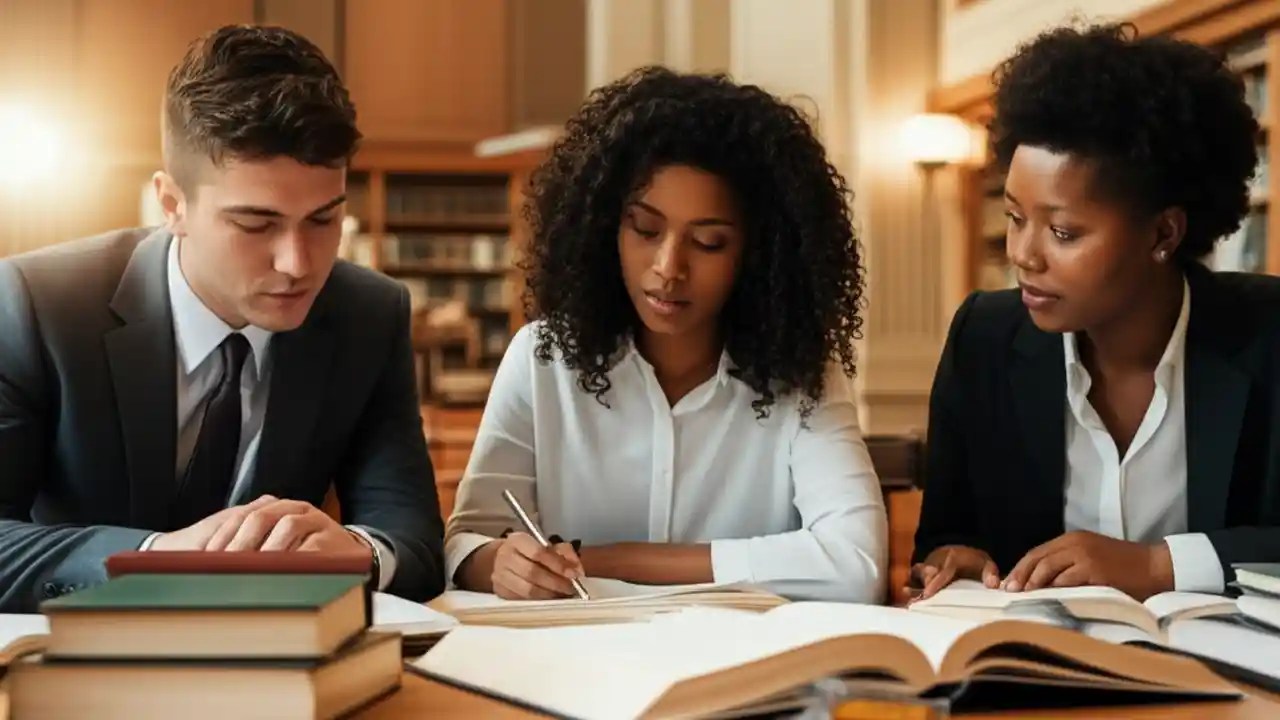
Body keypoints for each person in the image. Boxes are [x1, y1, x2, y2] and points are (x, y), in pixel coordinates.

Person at [0, 25, 444, 611]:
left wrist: (358, 552)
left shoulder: (369, 313)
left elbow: (411, 540)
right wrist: (158, 558)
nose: (297, 264)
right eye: (255, 224)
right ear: (171, 204)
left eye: (323, 219)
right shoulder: (38, 303)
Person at [445, 66, 887, 603]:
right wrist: (500, 564)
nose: (667, 267)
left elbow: (855, 564)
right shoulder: (543, 359)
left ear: (760, 256)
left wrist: (606, 559)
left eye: (707, 242)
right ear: (606, 226)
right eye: (646, 230)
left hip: (741, 671)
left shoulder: (803, 375)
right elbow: (466, 544)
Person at [911, 23, 1279, 602]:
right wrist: (956, 557)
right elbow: (948, 534)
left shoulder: (1268, 336)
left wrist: (1159, 566)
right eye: (1013, 217)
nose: (1023, 255)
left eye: (1062, 231)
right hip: (1047, 673)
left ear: (1163, 232)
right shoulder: (983, 337)